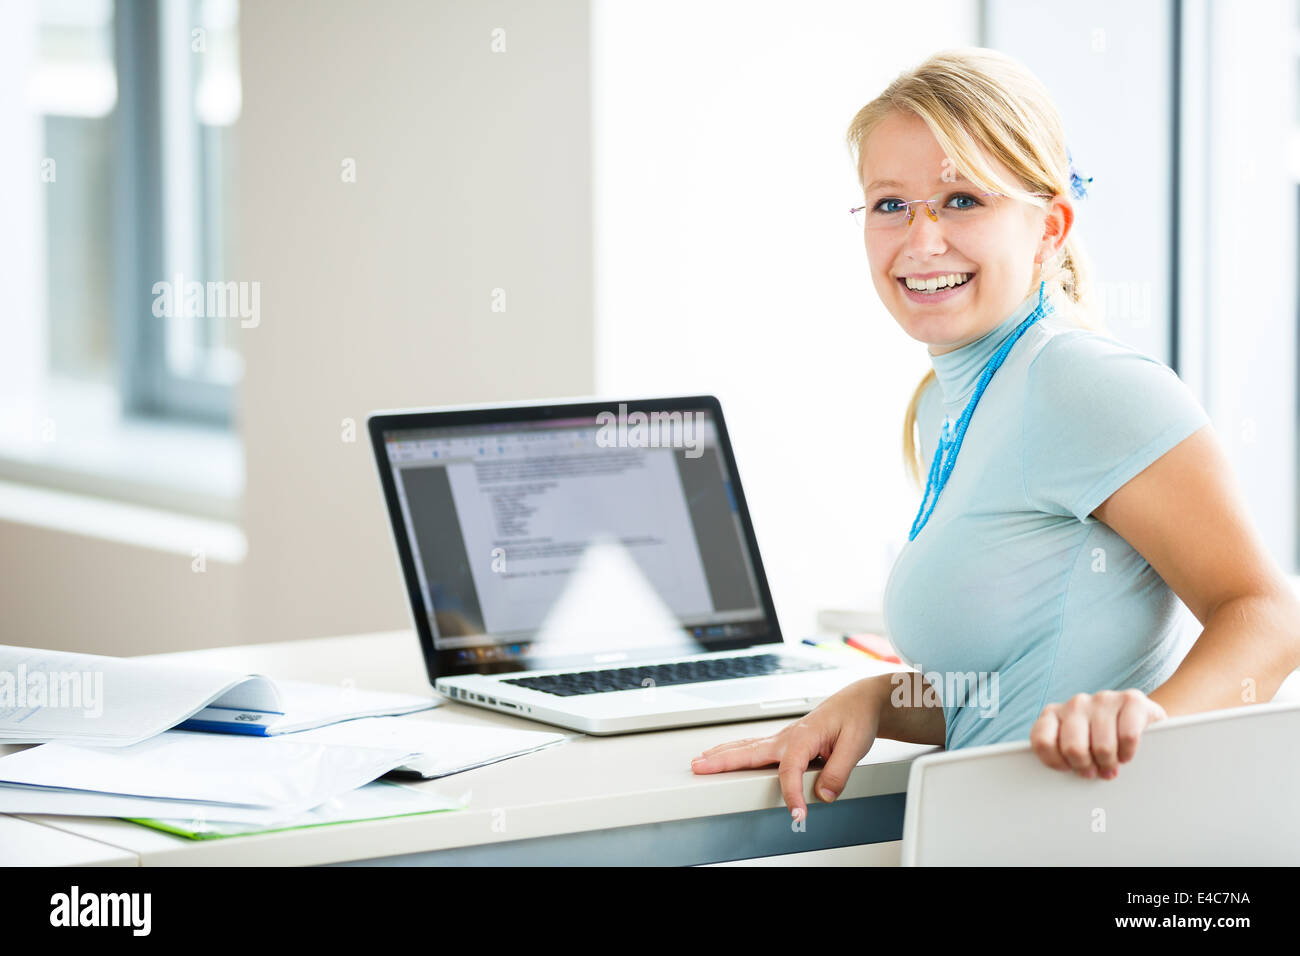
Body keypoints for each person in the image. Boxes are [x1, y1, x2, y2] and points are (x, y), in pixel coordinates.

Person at [690, 47, 1300, 824]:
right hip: (981, 833)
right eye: (890, 204)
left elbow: (1269, 617)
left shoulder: (1084, 384)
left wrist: (1155, 724)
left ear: (1049, 228)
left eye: (962, 200)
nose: (921, 241)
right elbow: (1014, 682)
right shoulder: (942, 404)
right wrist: (875, 699)